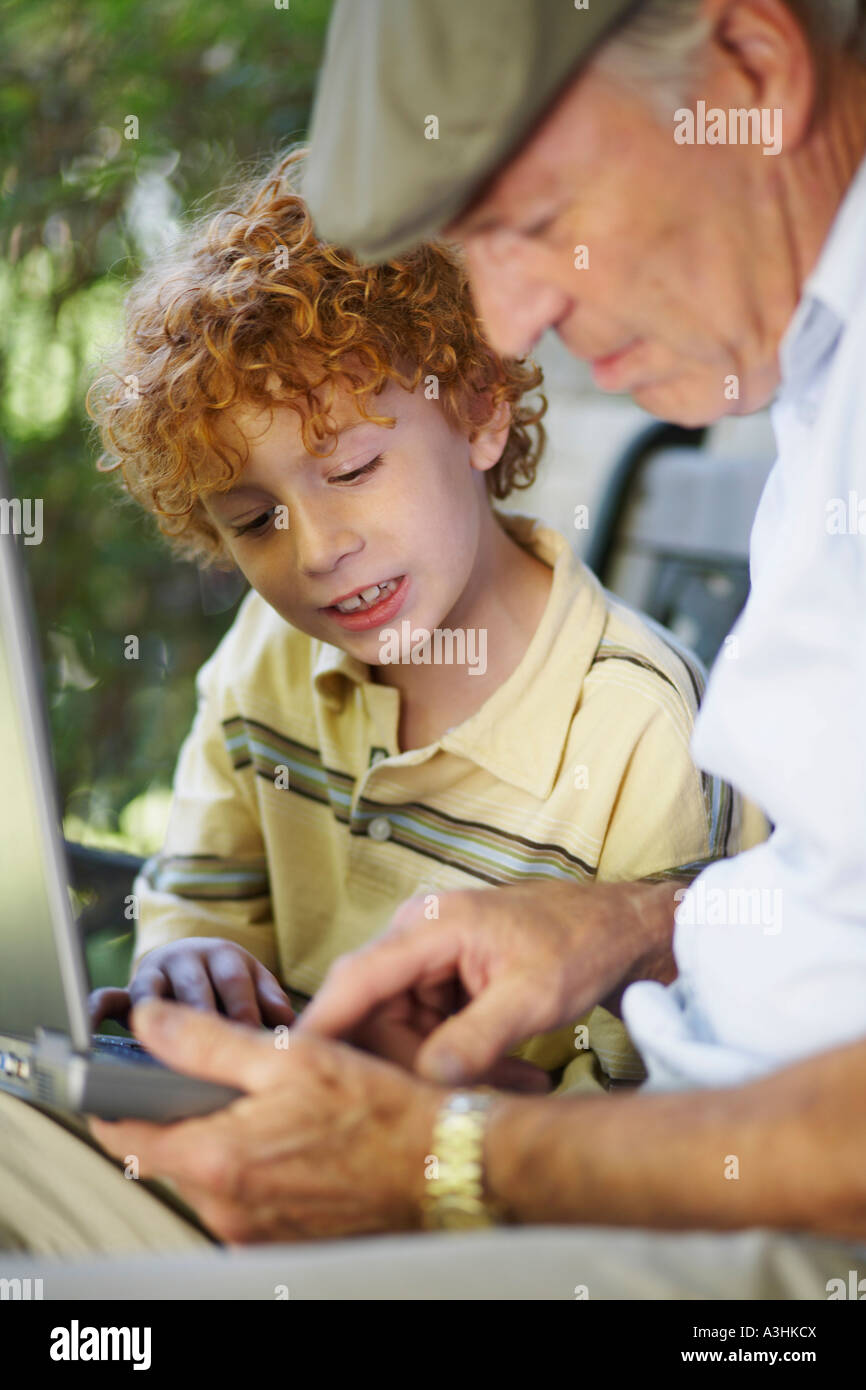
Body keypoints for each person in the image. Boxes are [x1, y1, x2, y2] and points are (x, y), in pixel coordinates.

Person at [3, 0, 866, 1298]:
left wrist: (449, 1153)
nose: (505, 325)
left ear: (752, 65)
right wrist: (632, 923)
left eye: (525, 220)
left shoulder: (631, 702)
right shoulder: (819, 378)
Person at [82, 147, 756, 1103]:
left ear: (480, 411)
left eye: (353, 471)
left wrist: (440, 1095)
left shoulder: (643, 734)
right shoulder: (269, 649)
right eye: (253, 520)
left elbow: (645, 1111)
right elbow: (203, 886)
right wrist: (193, 954)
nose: (316, 550)